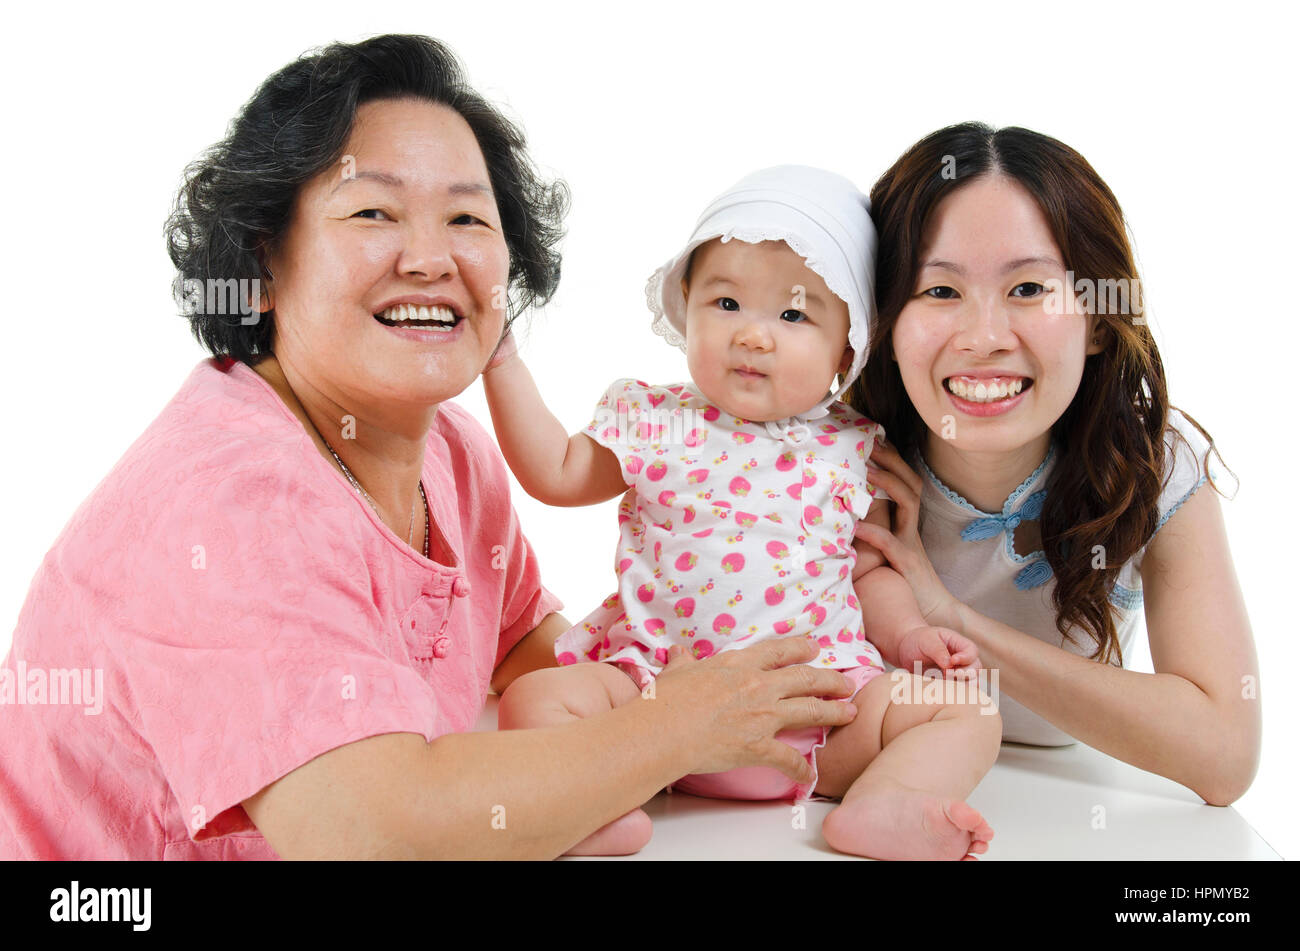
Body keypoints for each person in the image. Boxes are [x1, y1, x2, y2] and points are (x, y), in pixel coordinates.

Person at [0, 34, 863, 861]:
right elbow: (370, 831)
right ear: (265, 259)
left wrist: (706, 662)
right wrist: (674, 727)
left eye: (466, 218)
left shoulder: (449, 449)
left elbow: (527, 646)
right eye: (374, 211)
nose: (430, 257)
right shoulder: (230, 496)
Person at [483, 166, 1002, 860]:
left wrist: (908, 637)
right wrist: (500, 357)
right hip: (652, 710)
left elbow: (870, 573)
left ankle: (888, 803)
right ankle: (590, 804)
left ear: (845, 349)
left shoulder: (852, 450)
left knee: (968, 709)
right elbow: (555, 470)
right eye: (726, 304)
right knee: (533, 697)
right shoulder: (654, 420)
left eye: (792, 315)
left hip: (818, 714)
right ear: (686, 307)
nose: (754, 336)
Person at [849, 123, 1260, 806]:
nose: (984, 338)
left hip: (1063, 812)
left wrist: (952, 620)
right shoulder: (835, 468)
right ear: (886, 324)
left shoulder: (1154, 468)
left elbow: (1225, 752)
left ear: (1098, 319)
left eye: (1030, 288)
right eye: (940, 292)